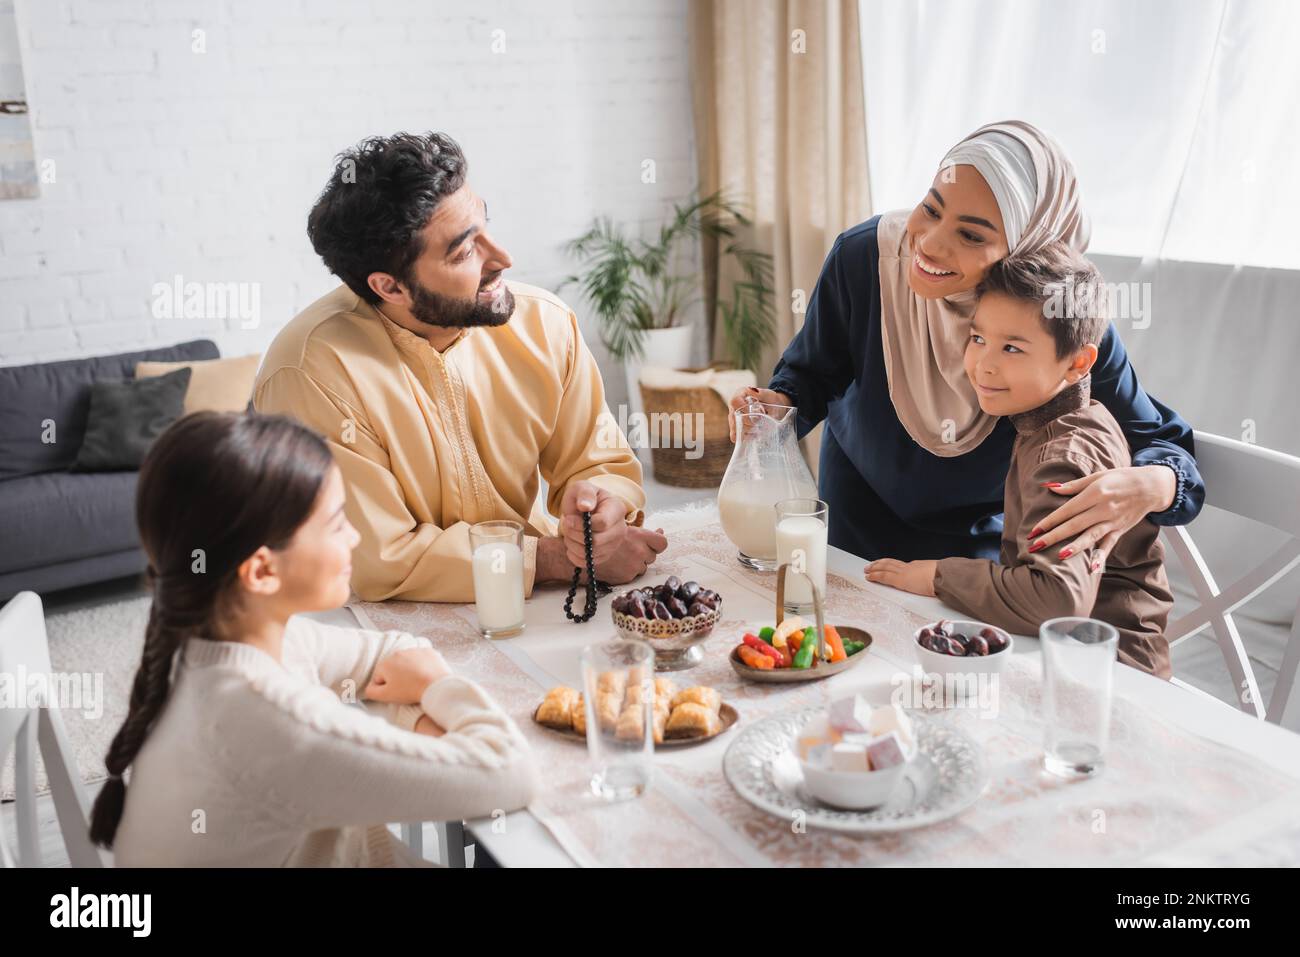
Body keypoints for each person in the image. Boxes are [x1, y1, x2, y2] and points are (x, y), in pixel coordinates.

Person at [729, 121, 1203, 568]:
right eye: (931, 208)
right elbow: (813, 374)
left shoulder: (1059, 318)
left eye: (971, 234)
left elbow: (1158, 442)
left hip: (981, 567)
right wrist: (779, 405)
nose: (929, 244)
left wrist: (1153, 484)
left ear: (1029, 246)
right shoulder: (863, 259)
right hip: (849, 541)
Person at [90, 412, 539, 866]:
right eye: (336, 522)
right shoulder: (272, 722)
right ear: (263, 570)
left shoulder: (212, 640)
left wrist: (424, 722)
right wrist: (435, 689)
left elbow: (393, 652)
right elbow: (511, 774)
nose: (356, 535)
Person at [254, 132, 667, 602]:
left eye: (486, 225)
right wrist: (554, 558)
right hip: (372, 628)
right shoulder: (309, 373)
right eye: (465, 251)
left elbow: (600, 461)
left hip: (526, 604)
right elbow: (379, 558)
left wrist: (601, 511)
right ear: (390, 287)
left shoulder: (544, 324)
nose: (504, 258)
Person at [868, 246, 1173, 677]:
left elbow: (1057, 598)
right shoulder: (1064, 420)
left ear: (1078, 362)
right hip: (1070, 657)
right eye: (978, 339)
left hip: (1110, 676)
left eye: (1012, 348)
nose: (983, 366)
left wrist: (938, 575)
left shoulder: (1062, 455)